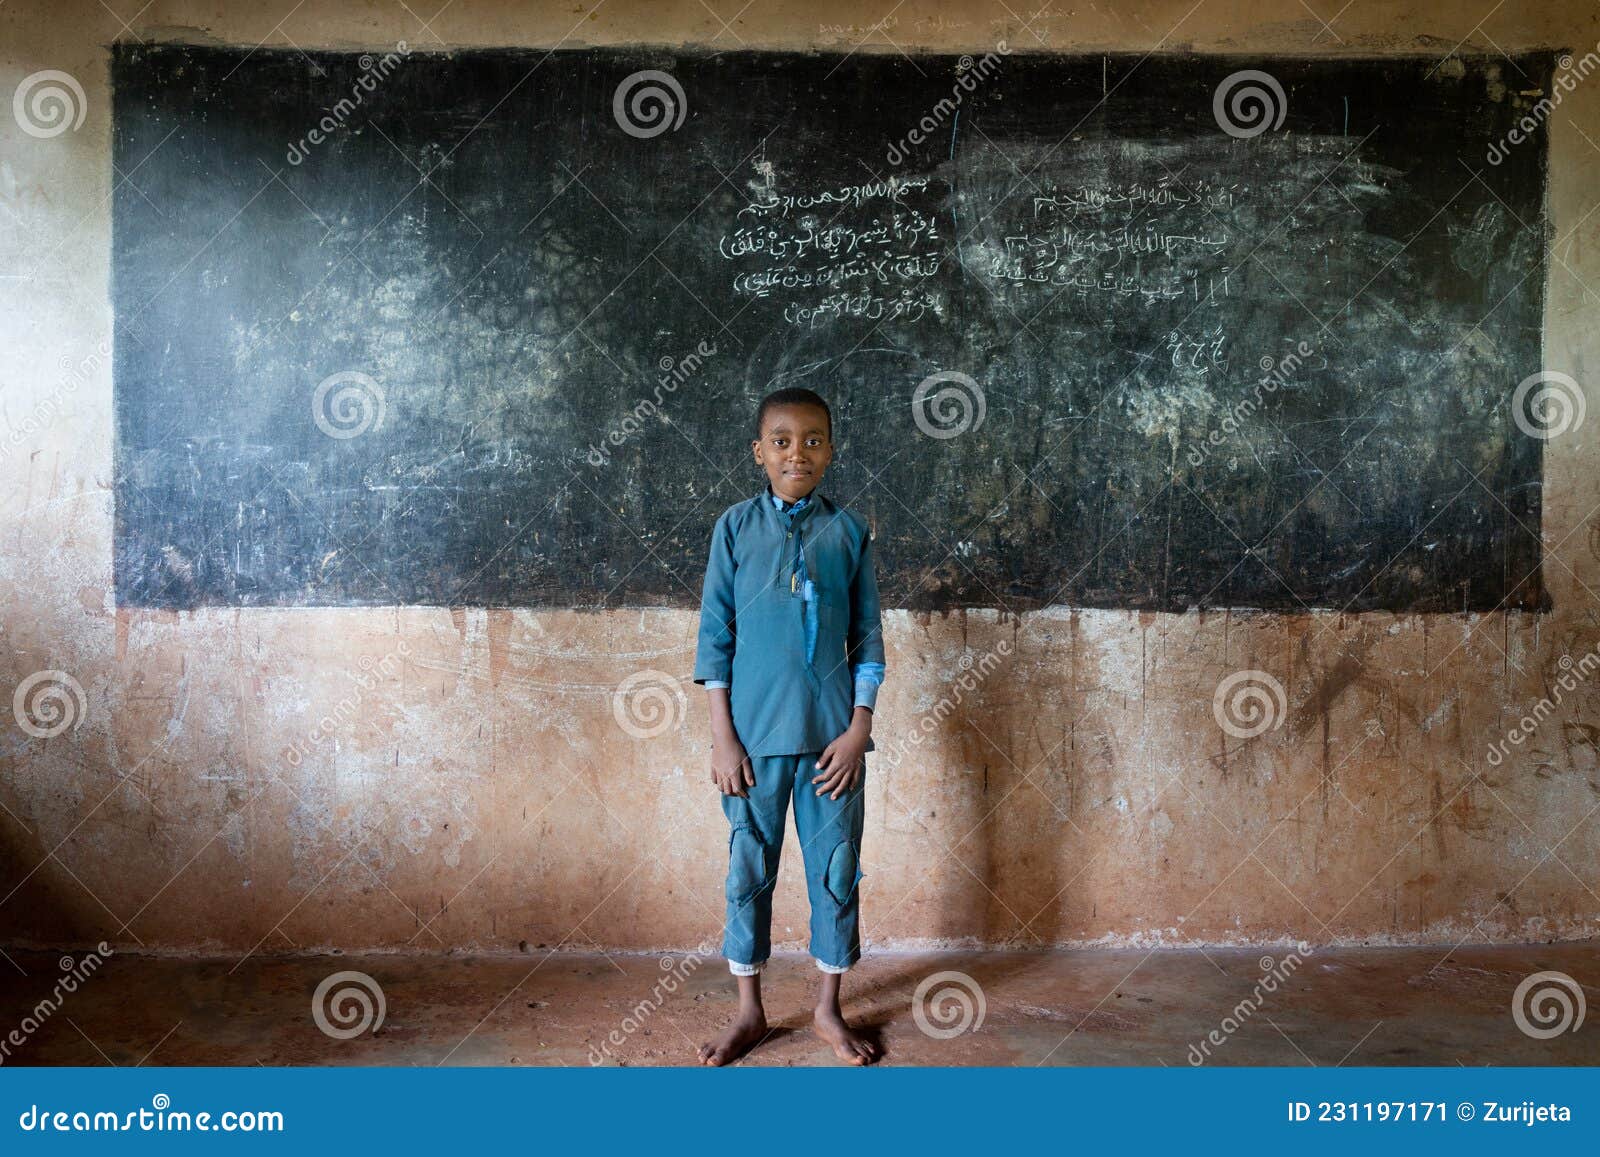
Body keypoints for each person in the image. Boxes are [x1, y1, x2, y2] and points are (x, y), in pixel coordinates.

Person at [691, 386, 885, 1066]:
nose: (795, 452)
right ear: (758, 452)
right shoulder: (735, 530)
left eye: (811, 440)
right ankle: (750, 1010)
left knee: (836, 872)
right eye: (780, 440)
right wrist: (722, 735)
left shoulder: (849, 532)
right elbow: (715, 638)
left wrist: (859, 727)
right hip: (751, 745)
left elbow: (867, 639)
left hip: (833, 745)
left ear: (830, 449)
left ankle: (829, 1007)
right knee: (748, 871)